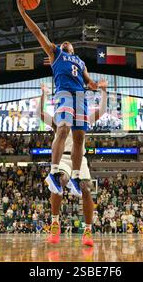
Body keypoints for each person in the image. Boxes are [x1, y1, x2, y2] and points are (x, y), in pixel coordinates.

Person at [17, 0, 102, 198]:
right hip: (64, 93)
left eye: (68, 44)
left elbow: (88, 80)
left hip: (80, 97)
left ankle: (74, 175)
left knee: (79, 137)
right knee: (63, 129)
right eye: (63, 43)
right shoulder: (55, 53)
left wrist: (93, 84)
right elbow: (37, 33)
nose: (65, 43)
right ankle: (54, 173)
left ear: (73, 49)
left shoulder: (81, 62)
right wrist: (23, 13)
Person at [37, 81, 108, 247]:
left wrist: (104, 91)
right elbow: (40, 113)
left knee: (86, 189)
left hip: (79, 159)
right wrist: (44, 94)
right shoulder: (58, 120)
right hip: (62, 158)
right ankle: (55, 223)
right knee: (59, 181)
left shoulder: (84, 118)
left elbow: (102, 111)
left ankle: (88, 230)